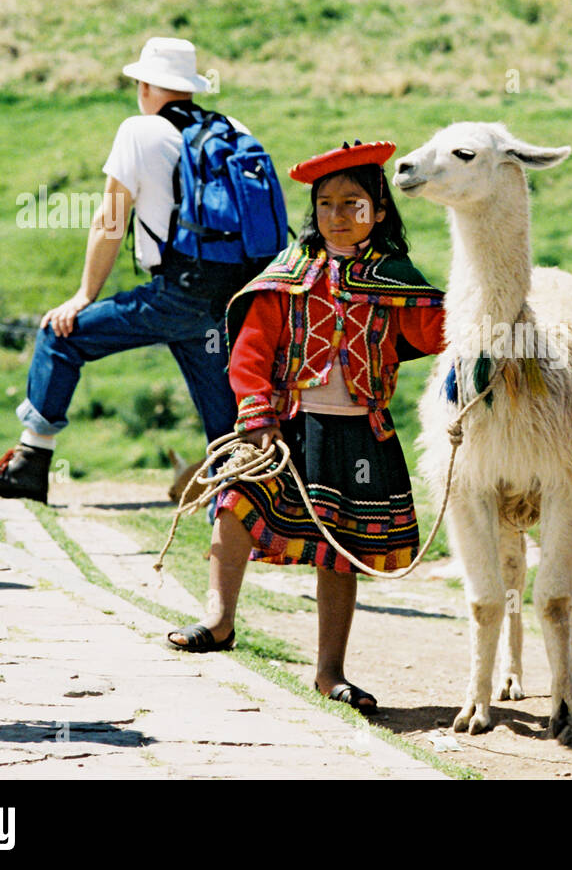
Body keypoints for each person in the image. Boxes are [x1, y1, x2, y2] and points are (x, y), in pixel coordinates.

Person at [167, 140, 446, 716]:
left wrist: (476, 305)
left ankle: (329, 672)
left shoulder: (395, 279)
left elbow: (434, 334)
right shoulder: (291, 276)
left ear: (381, 210)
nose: (337, 217)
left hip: (359, 433)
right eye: (325, 205)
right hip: (287, 427)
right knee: (236, 503)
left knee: (338, 550)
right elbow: (250, 350)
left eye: (353, 204)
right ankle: (219, 620)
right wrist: (256, 414)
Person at [0, 38, 245, 503]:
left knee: (60, 336)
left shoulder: (139, 130)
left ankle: (29, 466)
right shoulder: (231, 129)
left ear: (148, 85)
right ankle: (239, 516)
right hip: (227, 299)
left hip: (174, 294)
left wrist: (83, 296)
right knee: (227, 436)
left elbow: (111, 221)